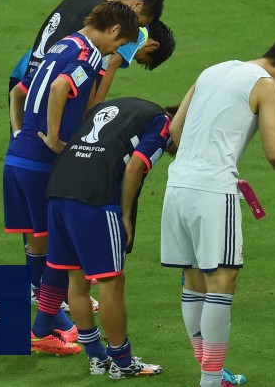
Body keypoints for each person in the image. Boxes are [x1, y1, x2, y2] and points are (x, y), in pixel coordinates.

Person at [160, 40, 275, 387]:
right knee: (222, 281)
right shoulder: (266, 85)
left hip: (177, 186)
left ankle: (212, 374)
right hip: (214, 191)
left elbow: (175, 131)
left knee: (194, 280)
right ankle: (212, 380)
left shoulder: (210, 71)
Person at [5, 1, 139, 348]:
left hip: (17, 158)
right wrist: (52, 137)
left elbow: (18, 92)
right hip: (41, 163)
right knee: (58, 250)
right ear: (113, 30)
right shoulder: (87, 53)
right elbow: (59, 88)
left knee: (39, 244)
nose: (113, 51)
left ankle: (48, 326)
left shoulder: (62, 45)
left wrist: (19, 132)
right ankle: (44, 329)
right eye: (118, 43)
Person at [29, 96, 170, 377]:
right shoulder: (162, 122)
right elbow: (135, 167)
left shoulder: (116, 107)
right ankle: (123, 362)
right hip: (96, 199)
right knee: (111, 282)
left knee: (76, 278)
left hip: (59, 192)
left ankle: (96, 357)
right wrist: (126, 215)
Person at [9, 0, 164, 99]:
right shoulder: (106, 20)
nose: (132, 29)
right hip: (52, 99)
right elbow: (93, 77)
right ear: (137, 5)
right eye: (138, 22)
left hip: (27, 86)